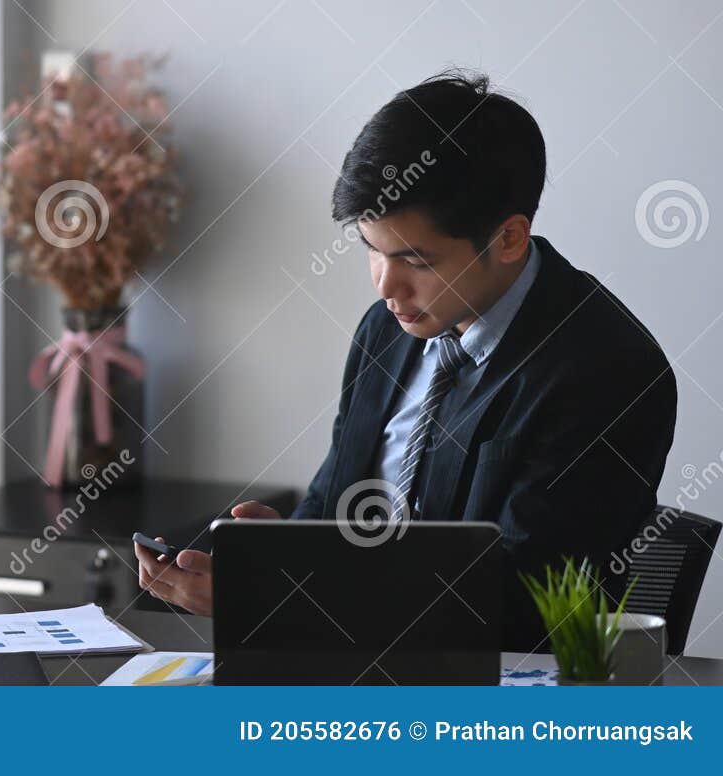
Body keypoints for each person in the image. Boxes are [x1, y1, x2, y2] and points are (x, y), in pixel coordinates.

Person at [135, 71, 676, 650]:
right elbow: (332, 507)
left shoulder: (606, 370)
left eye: (417, 261)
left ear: (511, 239)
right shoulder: (388, 333)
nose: (386, 287)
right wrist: (278, 556)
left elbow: (518, 608)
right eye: (372, 250)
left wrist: (277, 598)